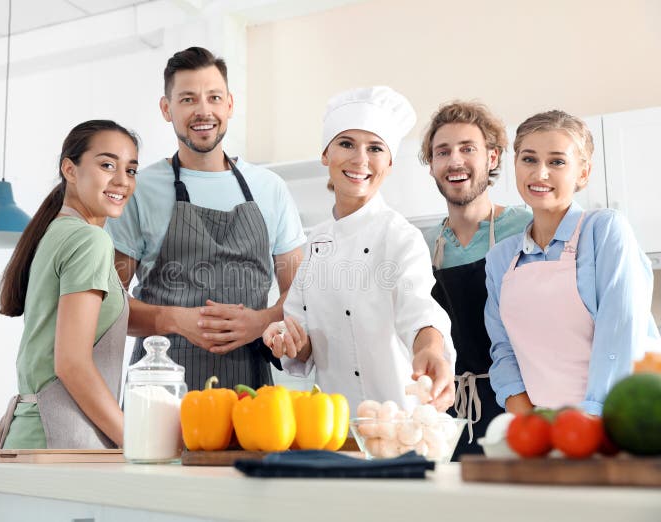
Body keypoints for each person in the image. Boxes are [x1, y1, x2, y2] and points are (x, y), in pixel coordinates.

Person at [106, 47, 305, 392]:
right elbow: (108, 302)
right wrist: (173, 319)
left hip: (252, 392)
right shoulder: (139, 190)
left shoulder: (269, 188)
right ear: (167, 109)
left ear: (229, 104)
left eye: (213, 97)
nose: (203, 111)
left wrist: (261, 321)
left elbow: (300, 293)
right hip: (159, 393)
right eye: (187, 99)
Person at [261, 86, 456, 414]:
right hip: (336, 428)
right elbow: (303, 338)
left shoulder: (399, 236)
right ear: (326, 154)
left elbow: (419, 311)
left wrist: (432, 351)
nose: (360, 160)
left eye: (375, 148)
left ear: (390, 162)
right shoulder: (316, 245)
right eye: (346, 143)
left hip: (401, 423)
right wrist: (288, 341)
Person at [485, 110, 660, 416]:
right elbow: (503, 350)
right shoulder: (501, 259)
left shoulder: (604, 230)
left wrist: (591, 418)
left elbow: (619, 336)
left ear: (583, 173)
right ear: (515, 165)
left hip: (624, 417)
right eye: (529, 159)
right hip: (549, 428)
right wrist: (529, 421)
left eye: (556, 162)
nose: (540, 173)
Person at [0, 120, 140, 449]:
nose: (122, 181)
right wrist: (139, 443)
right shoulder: (90, 240)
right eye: (107, 165)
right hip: (59, 438)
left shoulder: (54, 232)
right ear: (70, 170)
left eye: (131, 170)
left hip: (28, 433)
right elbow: (72, 363)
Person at [419, 101, 532, 457]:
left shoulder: (527, 229)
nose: (455, 161)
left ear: (493, 158)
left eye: (468, 148)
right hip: (448, 412)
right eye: (443, 152)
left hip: (519, 402)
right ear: (433, 166)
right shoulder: (423, 246)